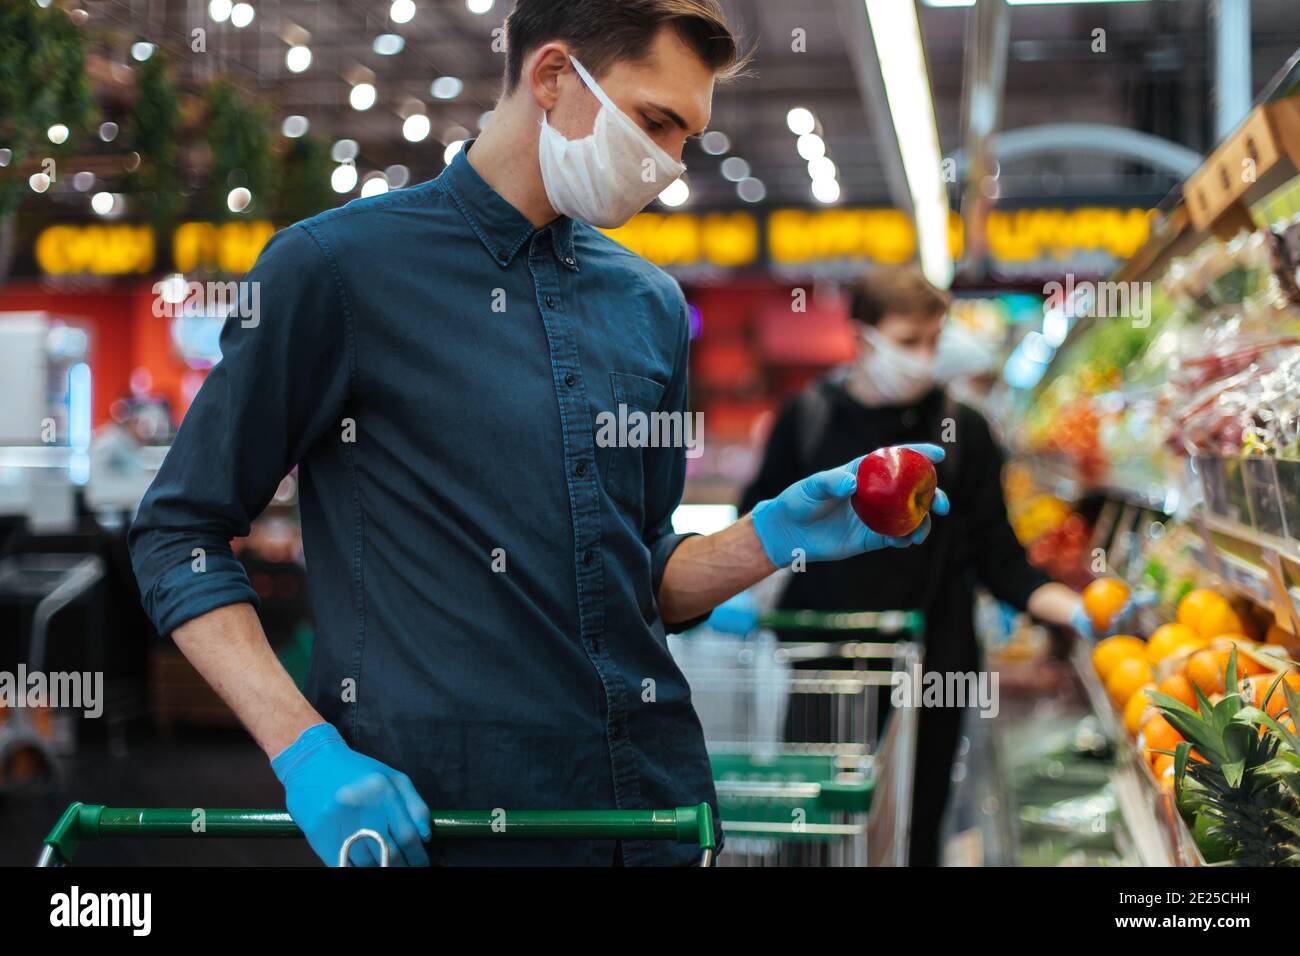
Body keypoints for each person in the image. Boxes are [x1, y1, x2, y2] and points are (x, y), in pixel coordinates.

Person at [128, 0, 949, 867]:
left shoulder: (650, 306)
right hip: (446, 826)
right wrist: (303, 748)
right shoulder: (336, 272)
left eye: (688, 138)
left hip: (651, 814)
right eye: (656, 121)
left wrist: (772, 538)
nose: (671, 165)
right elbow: (178, 533)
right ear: (554, 77)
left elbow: (642, 581)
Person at [738, 266, 1091, 867]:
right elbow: (757, 522)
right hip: (829, 663)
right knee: (815, 828)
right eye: (907, 342)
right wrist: (734, 593)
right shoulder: (808, 419)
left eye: (933, 340)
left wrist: (1078, 610)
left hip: (935, 667)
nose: (923, 358)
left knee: (916, 826)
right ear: (861, 337)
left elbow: (998, 558)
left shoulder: (966, 431)